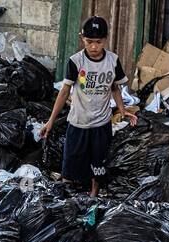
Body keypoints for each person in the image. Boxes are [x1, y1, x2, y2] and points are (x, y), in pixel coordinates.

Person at [41, 16, 137, 196]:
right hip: (78, 122)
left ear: (106, 40)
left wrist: (123, 111)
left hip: (101, 124)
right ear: (82, 38)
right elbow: (64, 92)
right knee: (70, 163)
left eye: (98, 42)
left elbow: (115, 87)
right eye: (89, 42)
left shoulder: (113, 61)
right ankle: (65, 196)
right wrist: (50, 122)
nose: (94, 47)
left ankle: (94, 195)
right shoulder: (76, 61)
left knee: (98, 164)